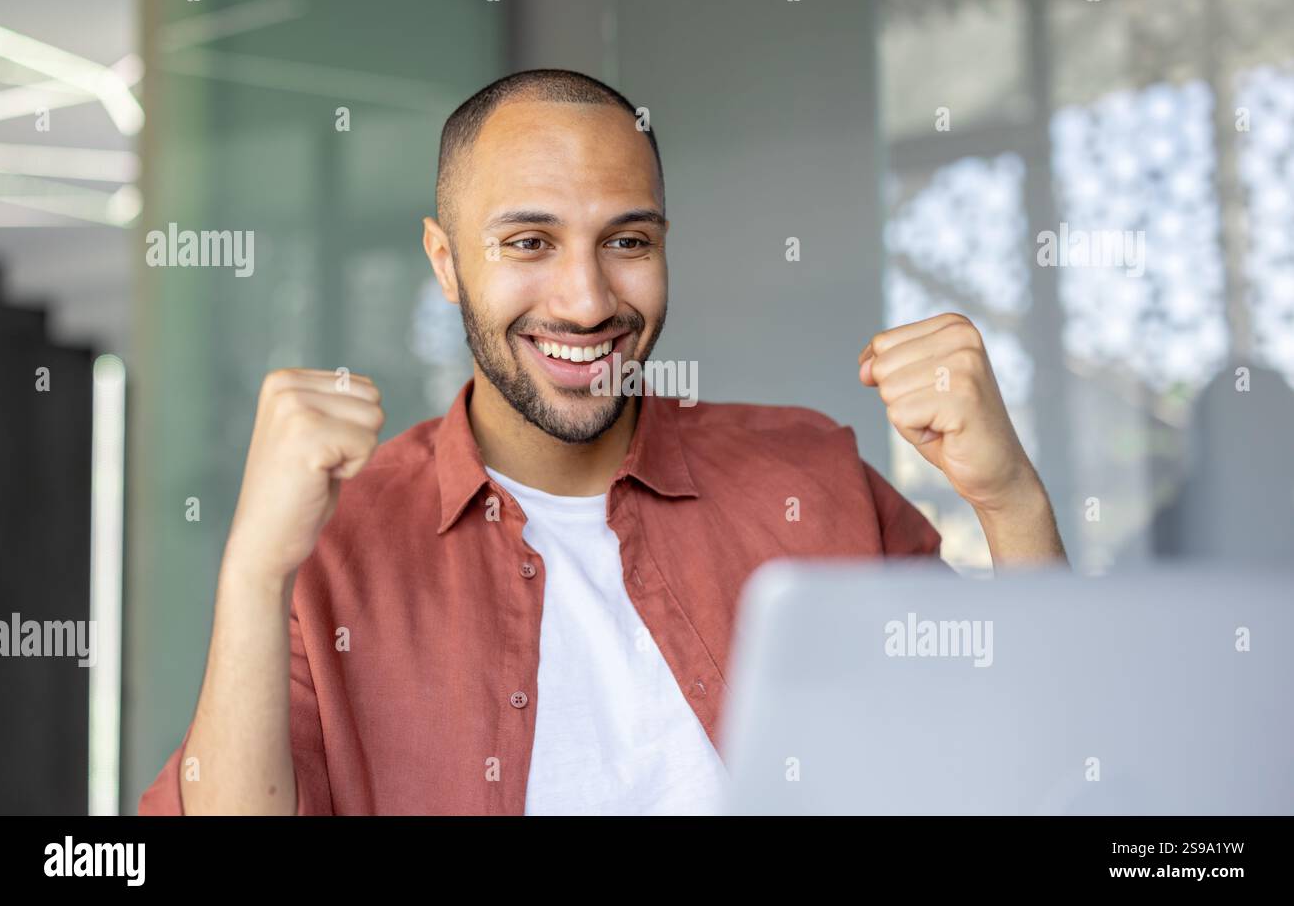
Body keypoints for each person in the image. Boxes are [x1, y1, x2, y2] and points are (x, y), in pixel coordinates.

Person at [139, 68, 1066, 816]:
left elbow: (1037, 769)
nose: (586, 303)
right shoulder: (335, 551)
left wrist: (1011, 502)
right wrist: (256, 569)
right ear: (444, 261)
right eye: (529, 243)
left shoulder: (815, 474)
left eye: (626, 241)